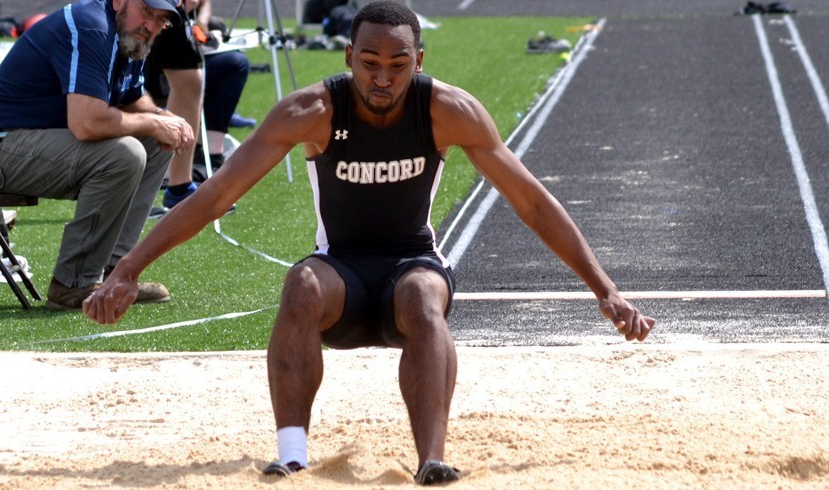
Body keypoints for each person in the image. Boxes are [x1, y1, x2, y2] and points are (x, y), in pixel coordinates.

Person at [83, 0, 655, 485]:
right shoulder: (310, 111)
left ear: (418, 62)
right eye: (371, 63)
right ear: (348, 57)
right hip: (342, 277)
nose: (383, 78)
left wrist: (605, 290)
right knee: (301, 282)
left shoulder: (448, 111)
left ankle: (432, 460)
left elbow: (530, 201)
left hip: (413, 267)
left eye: (398, 66)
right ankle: (291, 456)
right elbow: (215, 196)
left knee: (423, 296)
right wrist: (129, 268)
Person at [0, 0, 193, 310]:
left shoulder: (129, 32)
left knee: (156, 138)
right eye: (148, 11)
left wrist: (163, 119)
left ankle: (117, 273)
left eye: (161, 20)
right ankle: (73, 284)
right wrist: (154, 122)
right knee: (125, 154)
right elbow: (86, 123)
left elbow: (131, 98)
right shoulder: (93, 26)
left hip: (31, 139)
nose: (151, 25)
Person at [143, 0, 253, 211]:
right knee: (135, 74)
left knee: (195, 79)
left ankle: (183, 184)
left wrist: (200, 24)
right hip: (145, 10)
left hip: (172, 11)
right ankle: (142, 192)